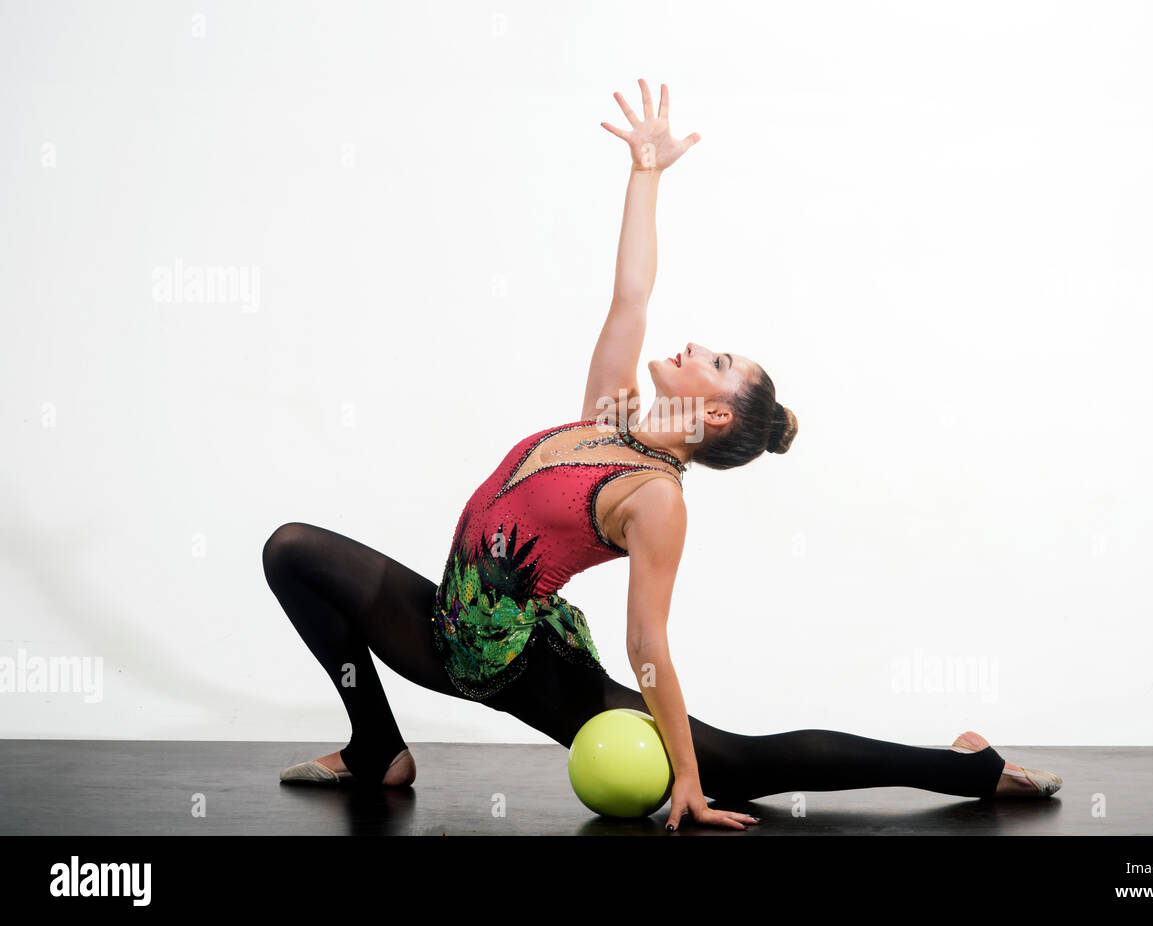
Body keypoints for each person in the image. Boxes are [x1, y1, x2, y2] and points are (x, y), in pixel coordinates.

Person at [263, 78, 1062, 832]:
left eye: (715, 361)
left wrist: (684, 776)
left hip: (518, 665)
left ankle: (968, 768)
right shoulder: (610, 417)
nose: (695, 345)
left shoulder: (655, 498)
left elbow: (648, 644)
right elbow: (631, 295)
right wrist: (646, 173)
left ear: (713, 412)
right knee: (293, 551)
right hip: (445, 624)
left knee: (735, 765)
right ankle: (378, 750)